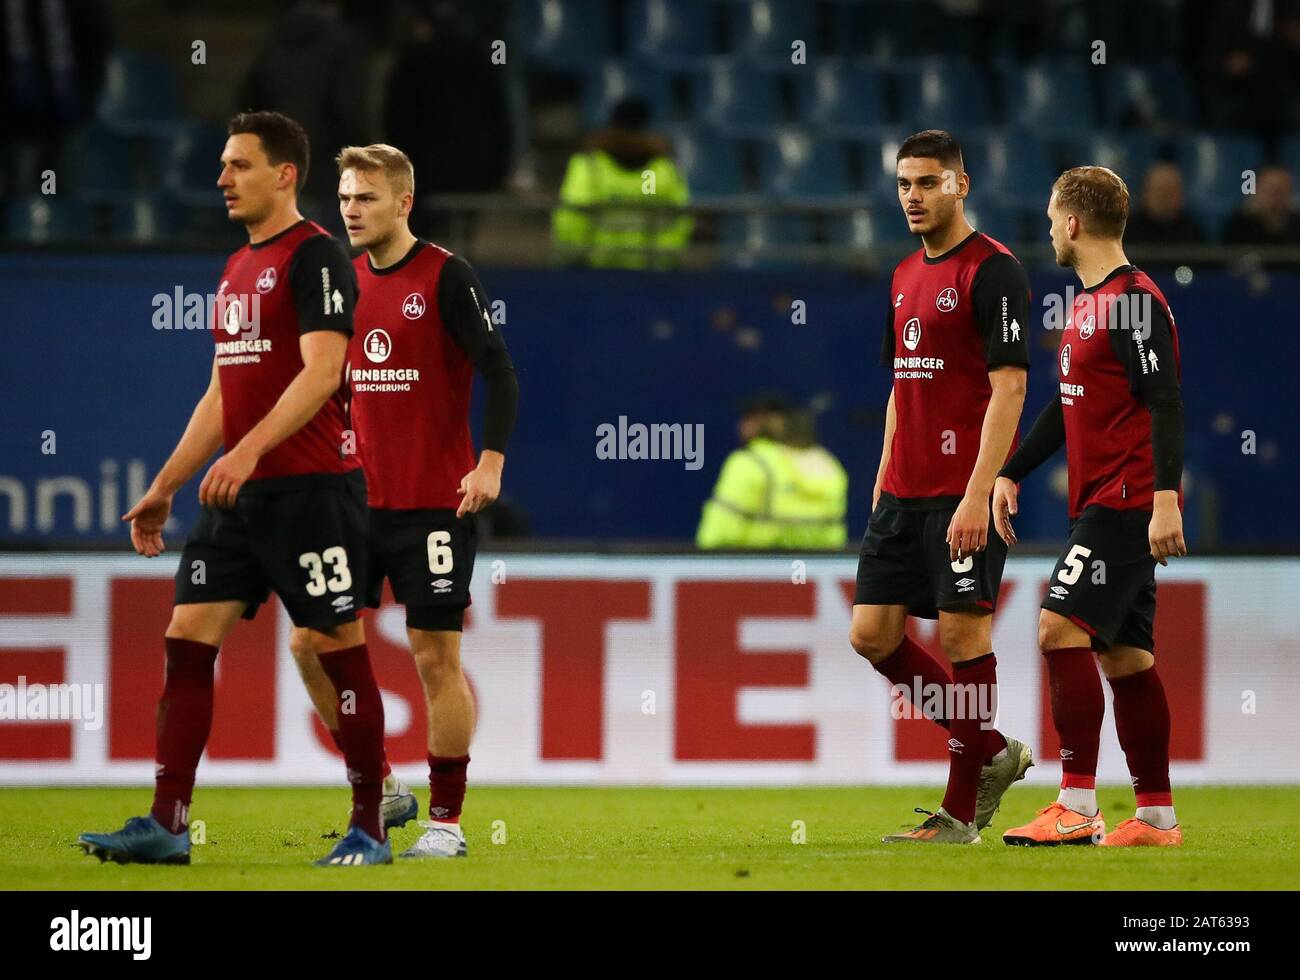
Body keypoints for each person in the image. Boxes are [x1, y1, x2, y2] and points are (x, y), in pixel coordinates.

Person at [78, 111, 392, 866]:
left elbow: (323, 372)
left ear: (285, 174)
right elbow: (221, 394)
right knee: (186, 642)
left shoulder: (316, 257)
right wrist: (163, 487)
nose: (221, 178)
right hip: (237, 501)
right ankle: (167, 823)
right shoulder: (235, 269)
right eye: (222, 164)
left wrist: (249, 453)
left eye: (239, 165)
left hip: (312, 493)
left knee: (334, 645)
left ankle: (370, 827)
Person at [292, 143, 518, 859]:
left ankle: (446, 823)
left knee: (433, 658)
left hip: (432, 506)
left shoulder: (447, 275)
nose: (351, 210)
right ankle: (382, 786)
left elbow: (500, 372)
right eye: (346, 197)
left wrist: (488, 464)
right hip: (354, 505)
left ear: (403, 202)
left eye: (366, 197)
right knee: (309, 643)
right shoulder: (343, 282)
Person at [994, 165, 1186, 847]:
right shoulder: (1090, 303)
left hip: (1127, 501)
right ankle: (1157, 818)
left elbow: (1165, 402)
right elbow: (1067, 406)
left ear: (1073, 222)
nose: (1048, 227)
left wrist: (1166, 499)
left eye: (1051, 215)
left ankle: (1075, 804)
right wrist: (1012, 469)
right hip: (1104, 501)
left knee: (1056, 629)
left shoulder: (1132, 302)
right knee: (1126, 658)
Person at [852, 129, 1034, 845]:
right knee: (872, 636)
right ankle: (991, 750)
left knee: (962, 634)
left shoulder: (994, 272)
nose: (913, 197)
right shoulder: (902, 276)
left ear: (961, 184)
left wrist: (977, 492)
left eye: (928, 183)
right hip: (903, 492)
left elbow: (1011, 389)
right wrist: (881, 476)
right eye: (904, 184)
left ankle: (961, 813)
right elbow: (902, 386)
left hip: (962, 492)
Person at [551, 97, 692, 269]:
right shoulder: (661, 171)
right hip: (642, 269)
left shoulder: (589, 165)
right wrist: (661, 260)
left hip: (603, 270)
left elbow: (570, 219)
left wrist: (580, 258)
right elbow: (679, 219)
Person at [696, 398, 847, 549]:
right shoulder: (829, 465)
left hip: (753, 566)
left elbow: (720, 531)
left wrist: (702, 559)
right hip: (818, 567)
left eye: (749, 418)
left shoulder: (748, 462)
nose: (742, 425)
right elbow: (835, 534)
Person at [1122, 162, 1207, 247]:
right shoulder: (1125, 230)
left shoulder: (1192, 231)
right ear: (1146, 192)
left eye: (1171, 192)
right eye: (1160, 191)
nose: (1164, 198)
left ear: (1180, 194)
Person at [1222, 165, 1300, 248]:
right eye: (1269, 190)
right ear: (1256, 190)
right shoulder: (1239, 226)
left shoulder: (1297, 225)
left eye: (1281, 190)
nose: (1275, 197)